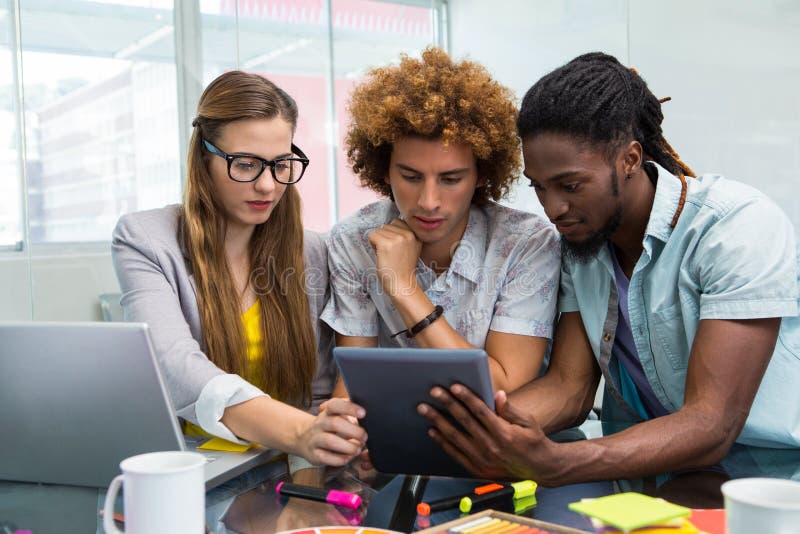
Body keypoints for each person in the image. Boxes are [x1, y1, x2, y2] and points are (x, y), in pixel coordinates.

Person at [419, 52, 800, 485]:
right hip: (655, 480)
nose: (553, 208)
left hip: (772, 483)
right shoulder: (582, 247)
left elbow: (712, 425)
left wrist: (557, 463)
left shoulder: (735, 228)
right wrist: (459, 436)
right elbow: (569, 387)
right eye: (539, 188)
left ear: (630, 159)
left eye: (571, 185)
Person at [112, 71, 366, 472]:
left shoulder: (310, 250)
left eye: (281, 164)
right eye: (246, 164)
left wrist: (316, 456)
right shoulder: (146, 239)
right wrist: (302, 432)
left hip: (289, 468)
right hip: (191, 468)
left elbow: (317, 391)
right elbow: (175, 366)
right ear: (204, 159)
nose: (267, 186)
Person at [321, 48, 560, 396]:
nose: (428, 201)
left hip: (500, 445)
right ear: (384, 169)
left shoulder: (527, 243)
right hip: (393, 438)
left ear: (481, 175)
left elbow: (500, 389)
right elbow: (352, 387)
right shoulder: (353, 241)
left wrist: (404, 290)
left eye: (451, 179)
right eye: (410, 176)